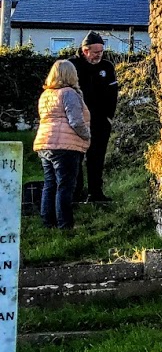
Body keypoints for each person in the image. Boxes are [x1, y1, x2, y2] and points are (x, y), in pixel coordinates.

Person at [33, 59, 92, 230]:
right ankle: (65, 225)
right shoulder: (69, 93)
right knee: (65, 186)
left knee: (50, 184)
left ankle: (47, 222)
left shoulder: (46, 94)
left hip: (45, 143)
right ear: (71, 75)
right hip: (65, 146)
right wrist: (87, 136)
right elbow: (76, 121)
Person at [72, 31, 120, 203]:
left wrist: (109, 116)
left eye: (101, 52)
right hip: (77, 120)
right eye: (95, 52)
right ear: (85, 51)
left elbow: (113, 93)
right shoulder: (73, 65)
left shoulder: (107, 67)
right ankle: (76, 193)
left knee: (97, 157)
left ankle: (95, 193)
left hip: (100, 120)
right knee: (76, 157)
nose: (98, 55)